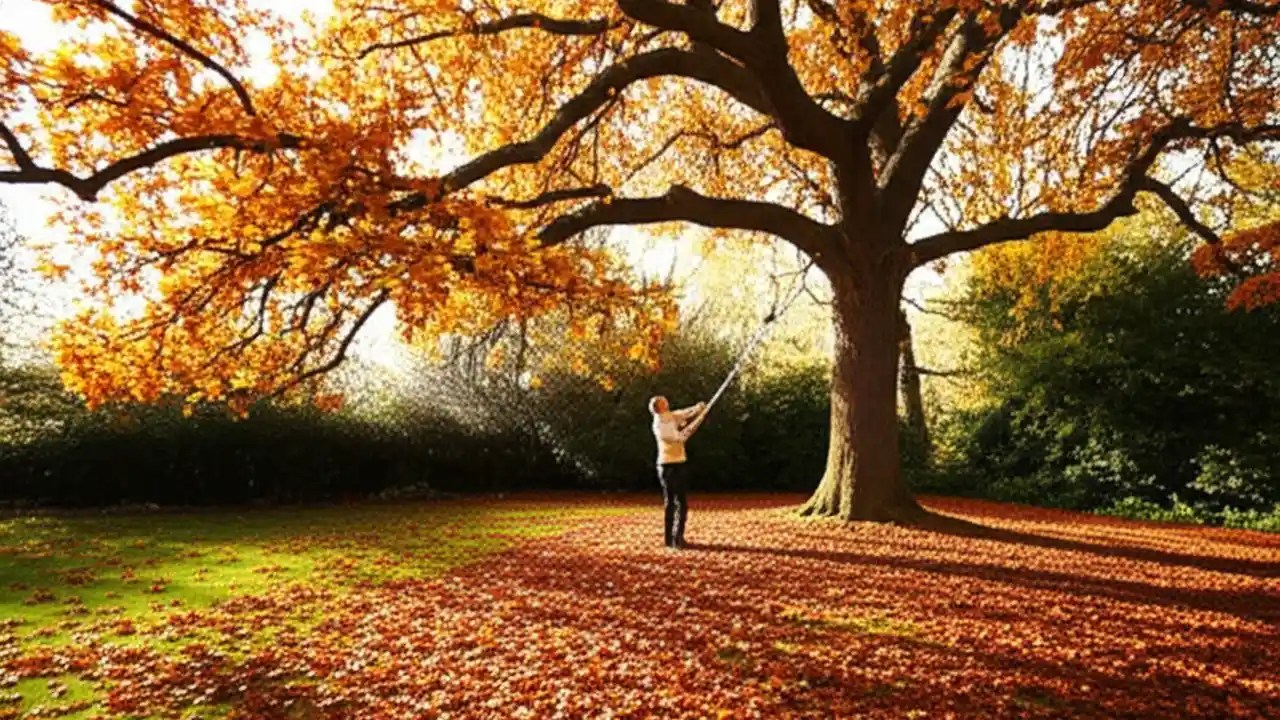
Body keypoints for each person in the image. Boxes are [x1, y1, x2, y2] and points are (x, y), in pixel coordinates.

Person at [649, 395, 708, 550]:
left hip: (680, 463)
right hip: (667, 466)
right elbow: (681, 437)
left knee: (681, 502)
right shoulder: (660, 425)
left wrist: (697, 409)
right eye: (663, 402)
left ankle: (678, 537)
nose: (666, 402)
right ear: (659, 408)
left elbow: (683, 414)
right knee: (671, 503)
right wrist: (699, 419)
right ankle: (671, 539)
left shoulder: (670, 416)